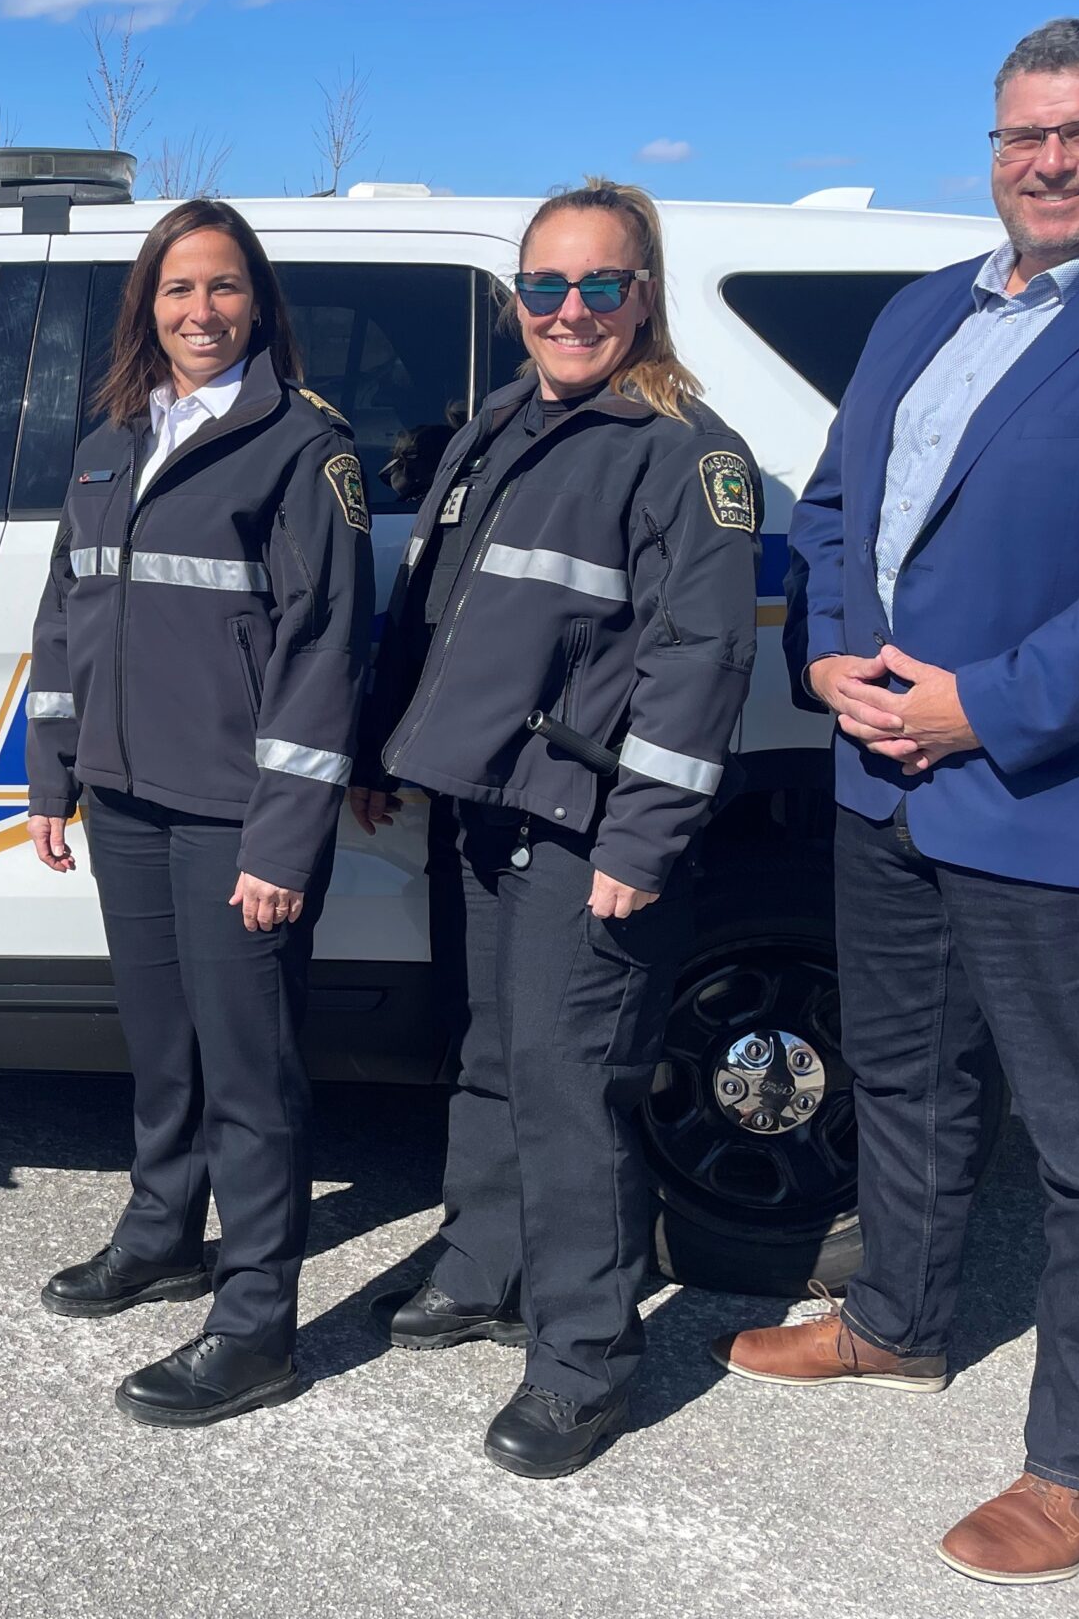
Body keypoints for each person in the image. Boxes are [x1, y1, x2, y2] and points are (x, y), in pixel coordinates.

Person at [727, 19, 1079, 1584]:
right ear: (994, 147)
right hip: (882, 780)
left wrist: (981, 706)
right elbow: (832, 509)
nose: (1052, 162)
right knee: (907, 1078)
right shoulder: (924, 310)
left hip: (1054, 797)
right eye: (1026, 135)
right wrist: (823, 659)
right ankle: (897, 1322)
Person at [348, 178, 761, 1479]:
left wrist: (644, 842)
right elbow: (431, 610)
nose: (569, 312)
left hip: (587, 819)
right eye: (544, 287)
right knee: (486, 1057)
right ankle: (482, 1270)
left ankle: (584, 1362)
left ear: (645, 295)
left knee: (573, 1086)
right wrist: (378, 746)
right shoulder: (502, 428)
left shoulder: (686, 454)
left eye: (598, 286)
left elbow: (699, 670)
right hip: (481, 801)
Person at [26, 199, 374, 1427]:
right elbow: (66, 612)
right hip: (126, 795)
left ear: (257, 304)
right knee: (161, 1048)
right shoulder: (115, 435)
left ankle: (256, 1323)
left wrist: (283, 837)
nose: (200, 313)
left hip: (235, 814)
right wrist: (53, 769)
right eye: (177, 291)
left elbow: (324, 653)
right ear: (147, 306)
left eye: (223, 289)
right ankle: (164, 1230)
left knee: (248, 1070)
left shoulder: (298, 448)